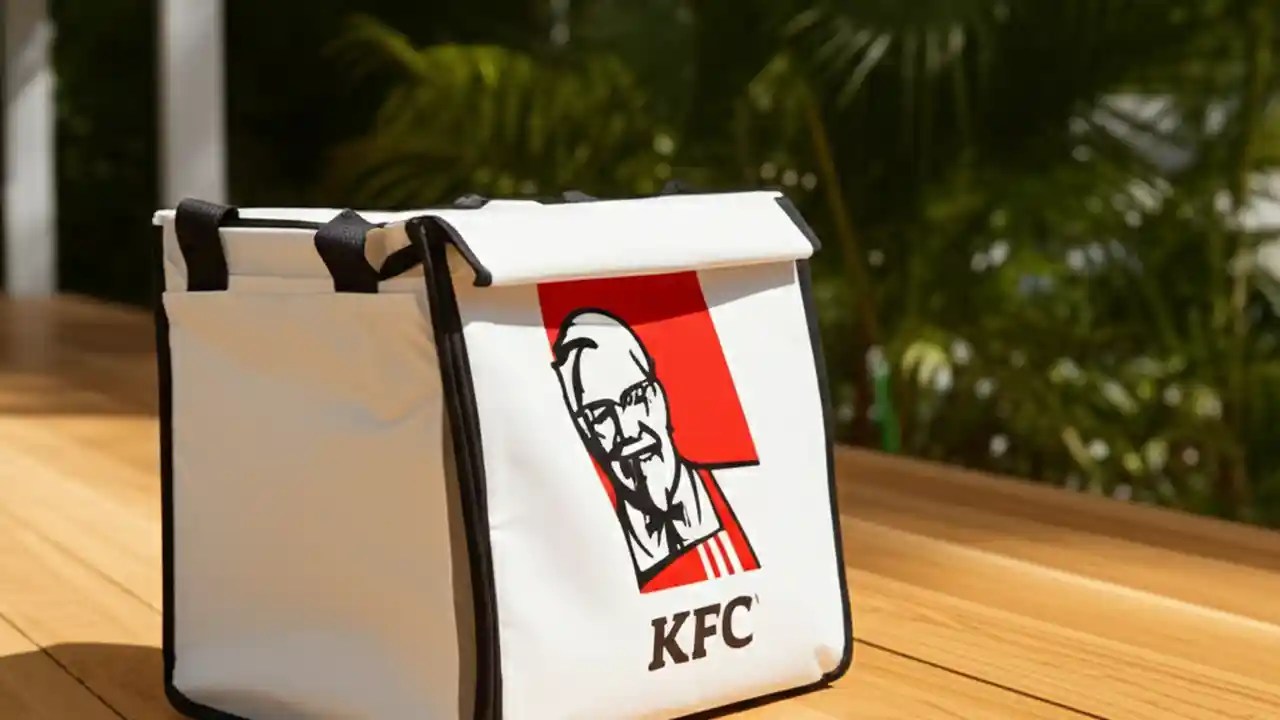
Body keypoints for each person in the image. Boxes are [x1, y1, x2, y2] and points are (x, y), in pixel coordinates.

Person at [552, 309, 759, 593]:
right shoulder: (583, 556)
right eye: (600, 415)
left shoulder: (750, 493)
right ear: (585, 433)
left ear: (658, 396)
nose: (627, 431)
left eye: (634, 397)